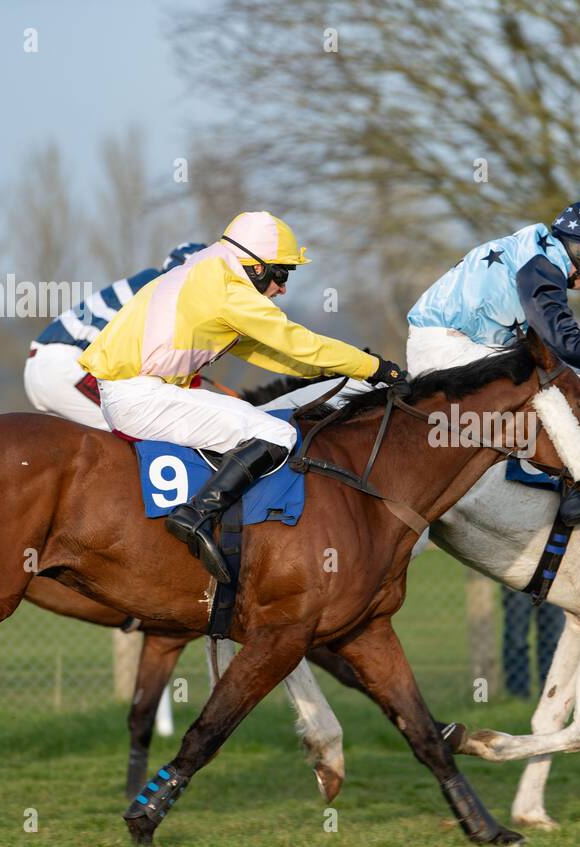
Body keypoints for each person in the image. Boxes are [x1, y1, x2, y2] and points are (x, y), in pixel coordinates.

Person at [80, 211, 405, 583]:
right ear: (254, 267)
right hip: (140, 396)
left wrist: (322, 370)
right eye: (280, 274)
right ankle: (197, 515)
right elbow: (297, 340)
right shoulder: (227, 288)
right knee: (279, 434)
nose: (282, 288)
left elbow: (263, 351)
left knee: (257, 424)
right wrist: (373, 368)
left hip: (137, 392)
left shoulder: (211, 270)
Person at [406, 200, 580, 523]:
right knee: (546, 390)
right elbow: (568, 343)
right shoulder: (542, 266)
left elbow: (556, 348)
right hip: (445, 348)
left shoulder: (537, 255)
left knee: (575, 380)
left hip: (464, 342)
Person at [24, 243, 206, 429]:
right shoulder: (161, 292)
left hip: (48, 364)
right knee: (138, 424)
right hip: (64, 367)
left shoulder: (149, 282)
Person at [501, 585, 565, 697]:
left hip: (554, 579)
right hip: (518, 576)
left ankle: (550, 692)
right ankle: (517, 695)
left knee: (553, 641)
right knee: (516, 641)